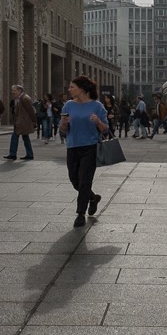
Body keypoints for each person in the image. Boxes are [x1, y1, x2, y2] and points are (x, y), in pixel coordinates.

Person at [59, 75, 108, 227]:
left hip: (90, 147)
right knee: (75, 180)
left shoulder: (97, 106)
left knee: (84, 180)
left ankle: (80, 213)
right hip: (73, 146)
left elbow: (106, 129)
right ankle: (93, 198)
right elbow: (62, 129)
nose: (69, 89)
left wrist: (98, 121)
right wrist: (64, 124)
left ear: (82, 89)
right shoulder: (68, 105)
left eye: (72, 87)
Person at [7, 84, 36, 160]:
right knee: (25, 138)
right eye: (12, 90)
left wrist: (34, 121)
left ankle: (13, 154)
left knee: (15, 136)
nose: (13, 92)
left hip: (22, 122)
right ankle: (29, 154)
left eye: (14, 90)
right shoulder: (21, 98)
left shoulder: (24, 98)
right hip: (22, 122)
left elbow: (31, 111)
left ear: (20, 90)